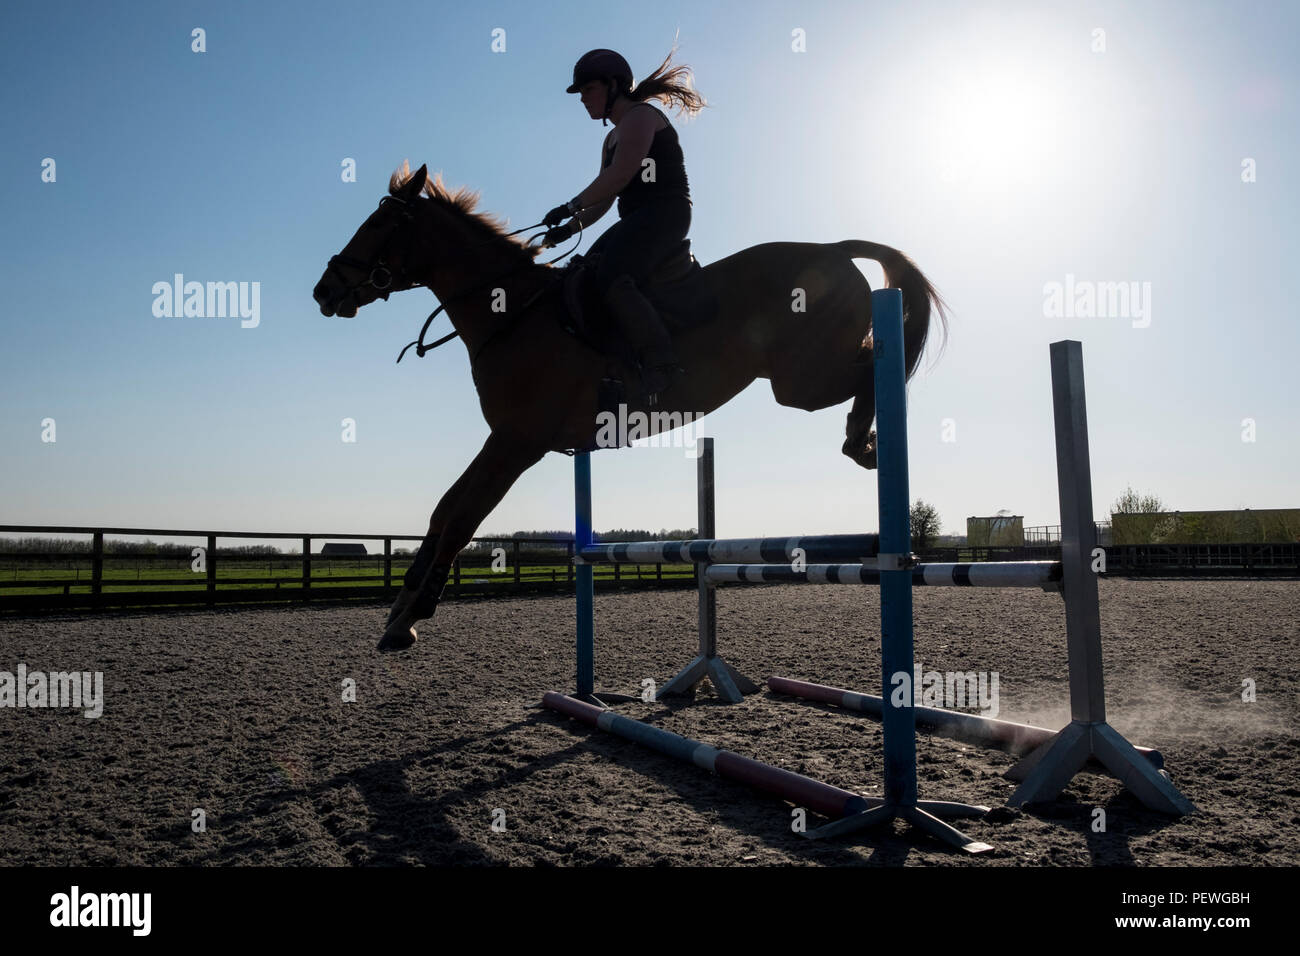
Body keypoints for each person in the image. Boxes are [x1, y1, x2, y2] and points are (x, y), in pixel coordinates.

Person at [541, 47, 704, 405]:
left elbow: (621, 174)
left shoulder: (642, 116)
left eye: (587, 90)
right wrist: (568, 229)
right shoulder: (610, 138)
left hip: (666, 213)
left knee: (613, 277)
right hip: (635, 220)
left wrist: (570, 205)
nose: (582, 99)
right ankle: (614, 367)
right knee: (579, 275)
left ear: (613, 85)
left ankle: (662, 364)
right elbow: (604, 200)